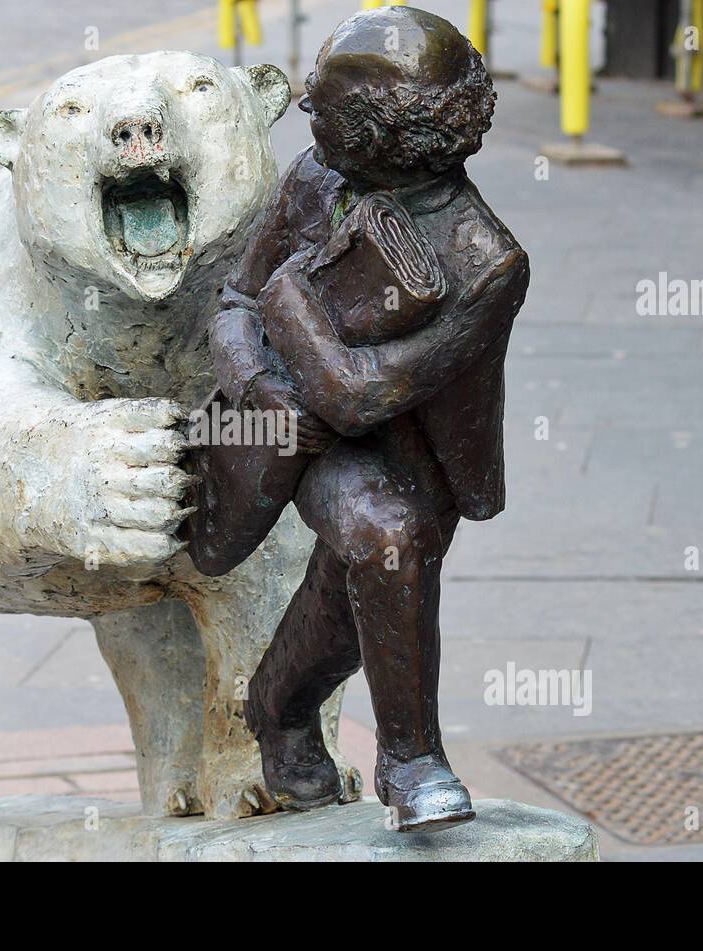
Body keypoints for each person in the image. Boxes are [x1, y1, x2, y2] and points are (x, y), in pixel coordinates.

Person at [185, 5, 530, 831]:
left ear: (387, 135)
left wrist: (291, 308)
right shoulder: (316, 178)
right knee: (387, 537)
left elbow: (365, 394)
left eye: (328, 109)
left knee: (351, 598)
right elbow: (234, 299)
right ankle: (413, 762)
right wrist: (256, 383)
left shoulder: (486, 263)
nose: (309, 119)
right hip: (296, 420)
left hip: (411, 443)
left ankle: (276, 706)